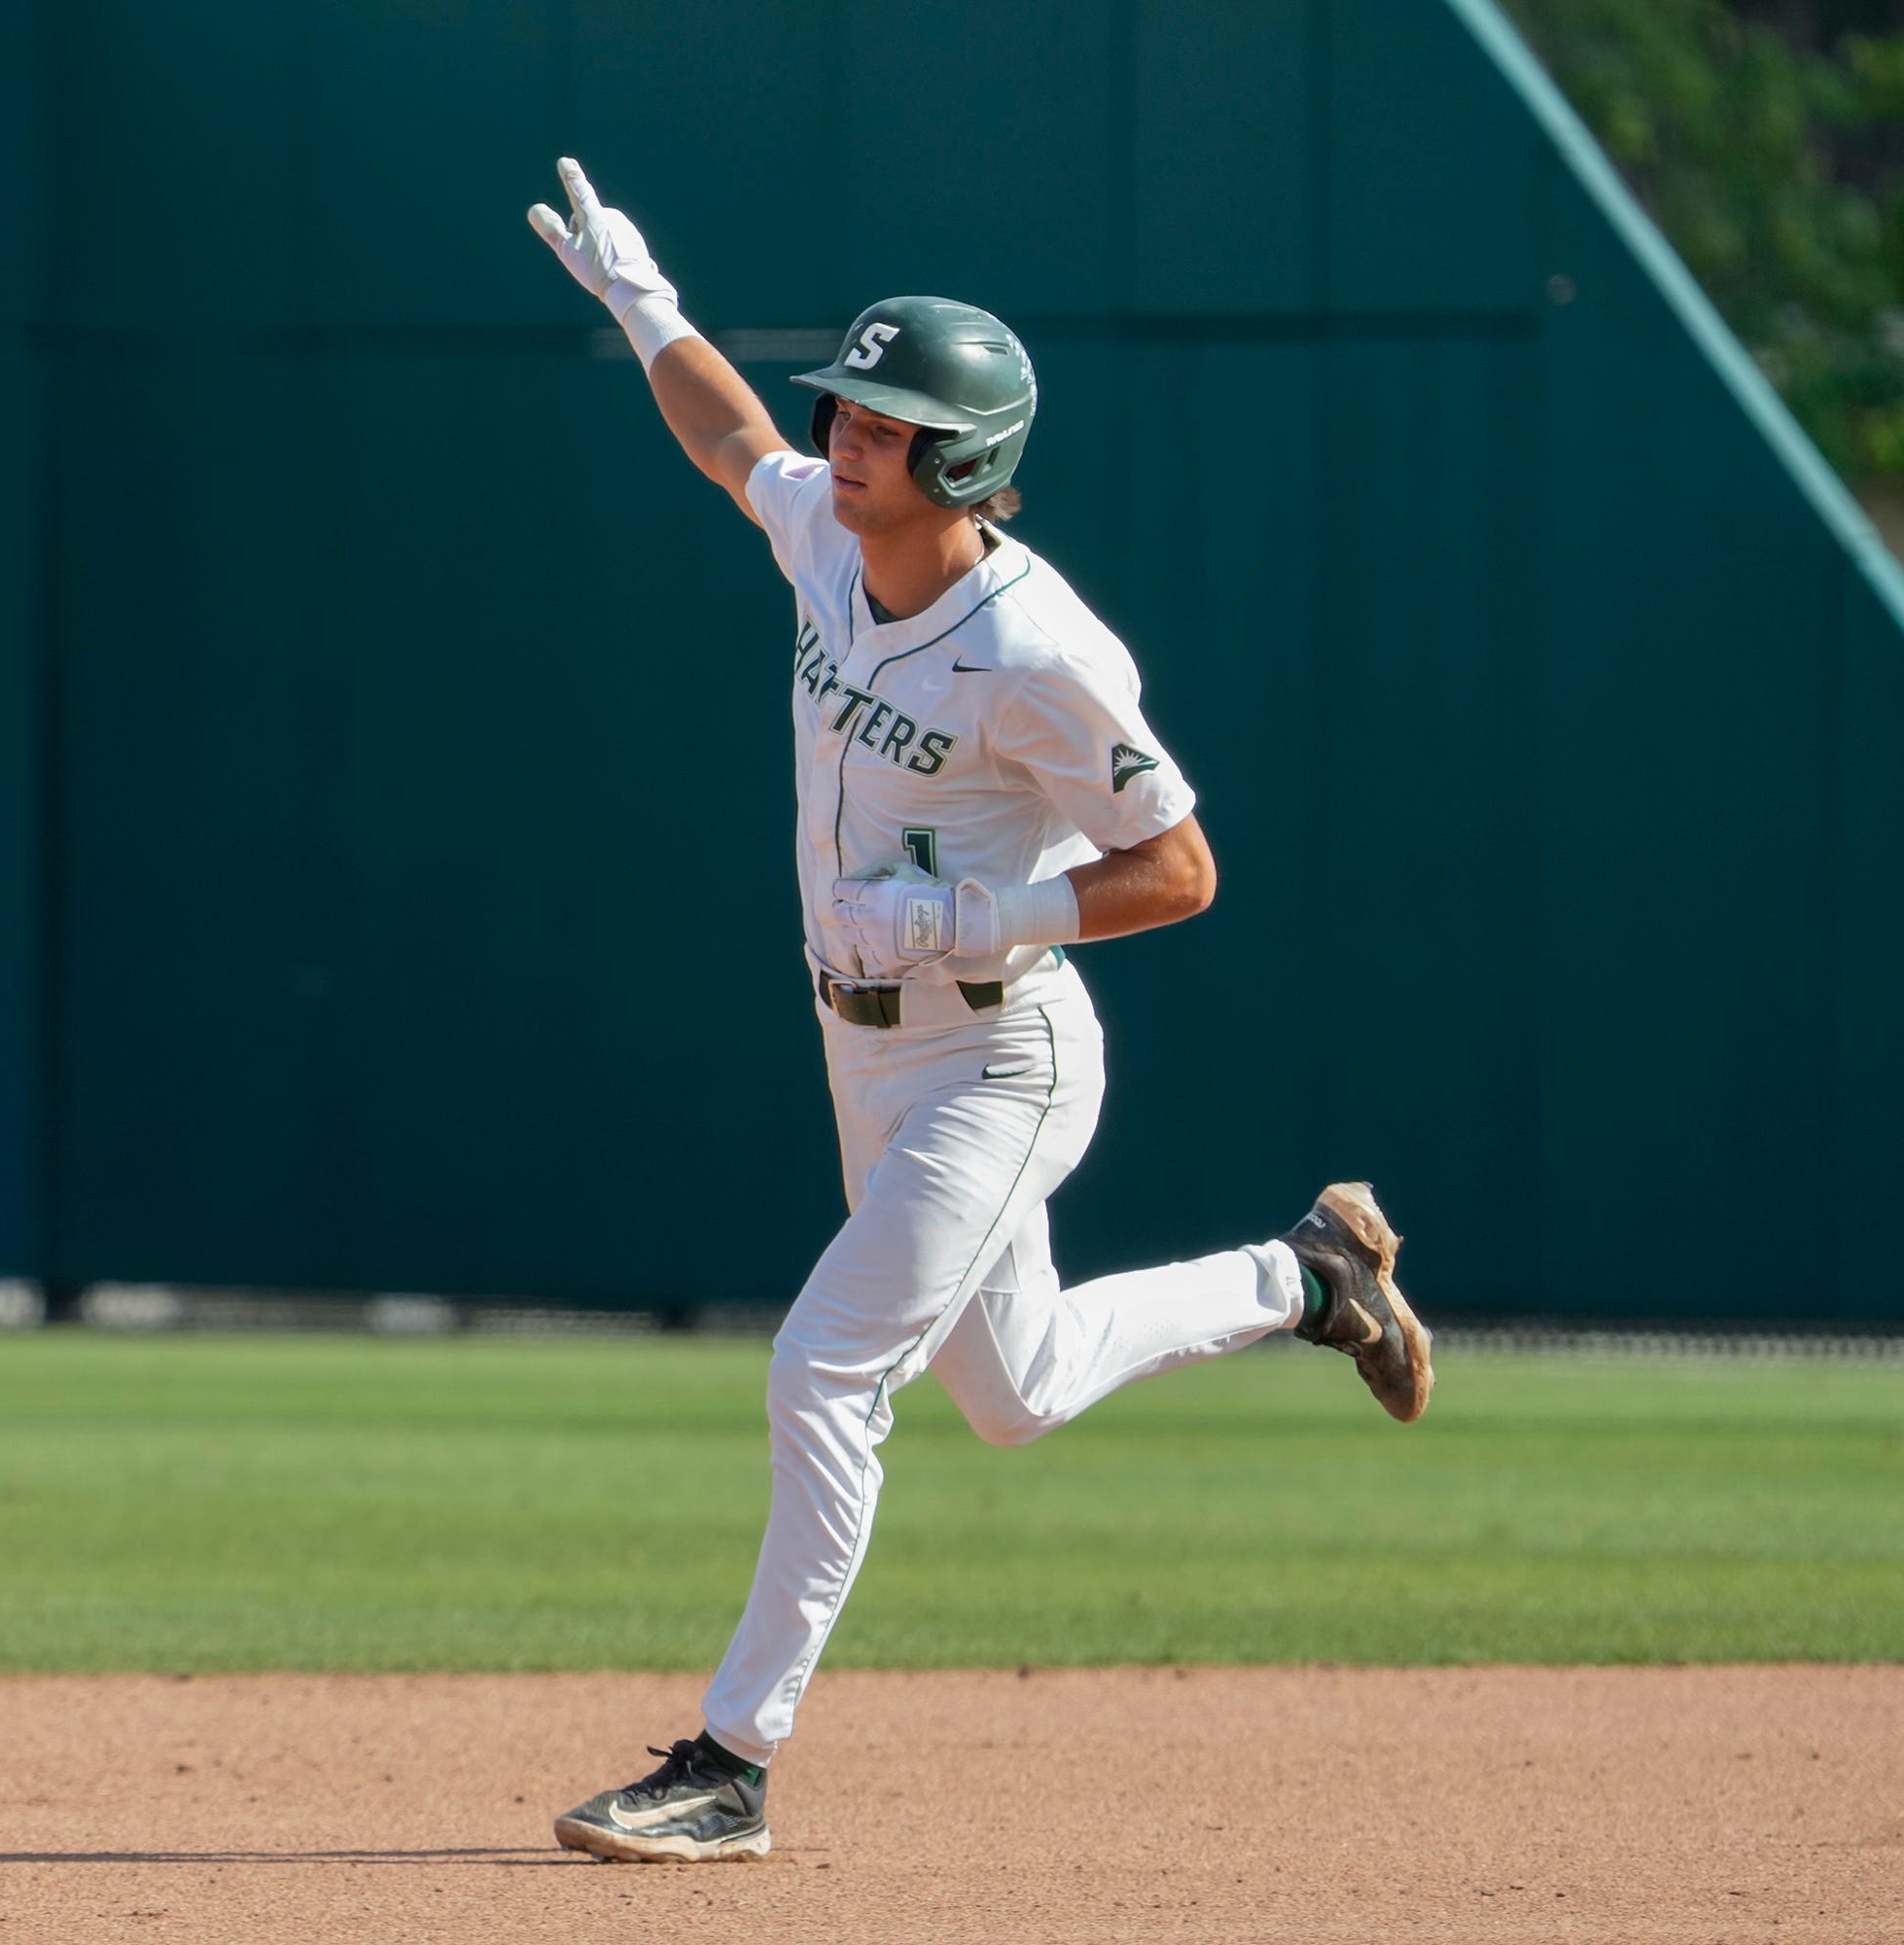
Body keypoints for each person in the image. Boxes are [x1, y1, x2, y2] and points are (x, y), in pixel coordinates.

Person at [525, 159, 1433, 1864]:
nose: (841, 432)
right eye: (849, 407)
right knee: (1011, 1392)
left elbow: (1181, 867)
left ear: (963, 461)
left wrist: (978, 910)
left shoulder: (1040, 646)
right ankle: (1308, 1276)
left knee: (822, 1372)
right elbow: (730, 440)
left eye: (882, 419)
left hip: (996, 1058)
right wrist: (646, 304)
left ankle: (730, 1763)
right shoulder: (830, 540)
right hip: (863, 1055)